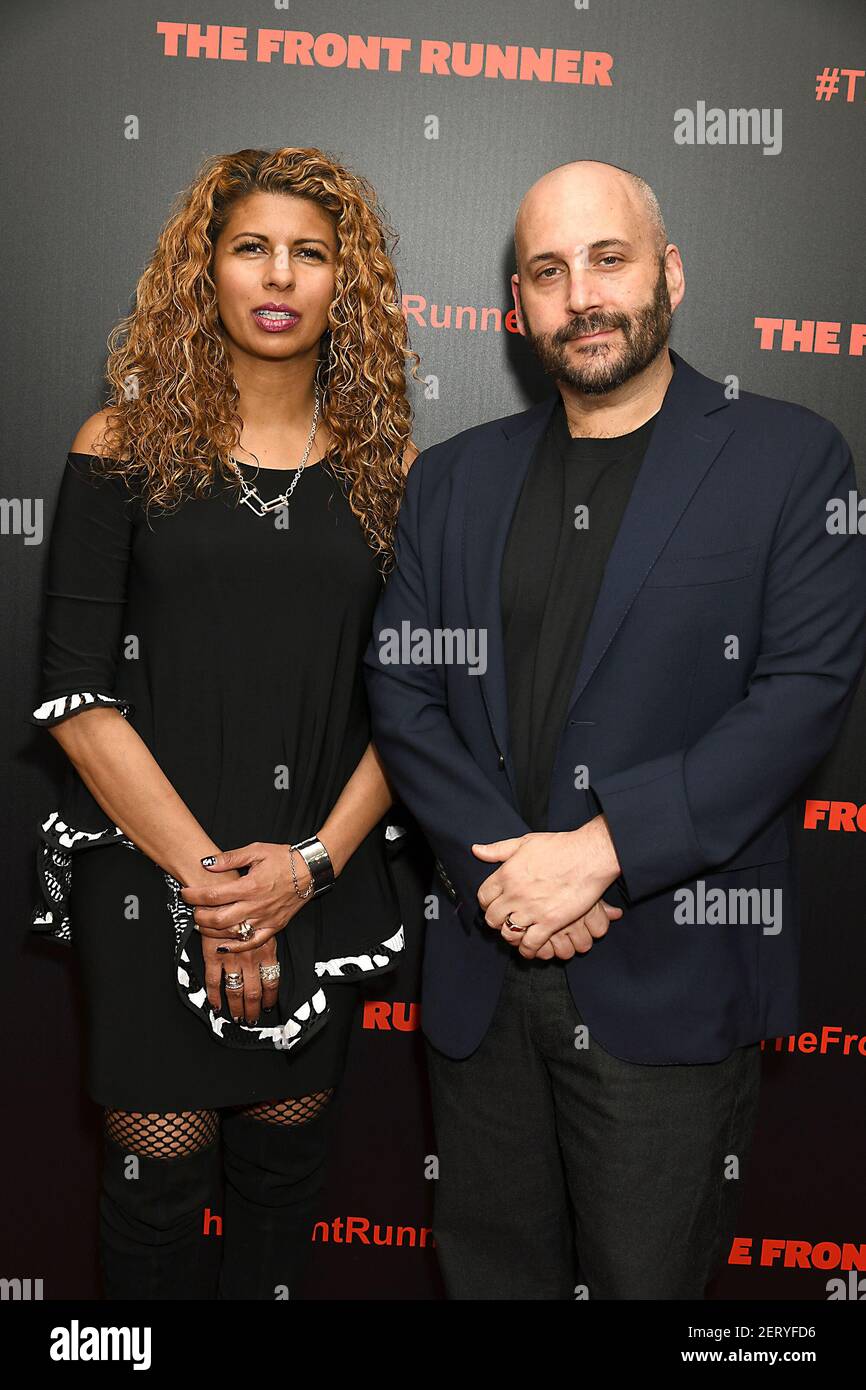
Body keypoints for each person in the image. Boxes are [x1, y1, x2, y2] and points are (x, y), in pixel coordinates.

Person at [363, 159, 866, 1299]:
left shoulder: (789, 459)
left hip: (668, 977)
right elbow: (402, 690)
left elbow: (797, 697)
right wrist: (513, 877)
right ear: (516, 309)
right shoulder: (449, 481)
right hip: (484, 969)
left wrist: (596, 856)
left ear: (668, 274)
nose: (580, 294)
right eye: (547, 271)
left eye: (607, 259)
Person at [28, 145, 419, 1300]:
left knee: (282, 1176)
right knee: (158, 1180)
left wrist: (301, 871)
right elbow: (75, 696)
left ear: (346, 282)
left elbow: (412, 701)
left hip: (320, 866)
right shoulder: (123, 445)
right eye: (251, 246)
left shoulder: (394, 475)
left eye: (311, 251)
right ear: (206, 271)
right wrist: (218, 891)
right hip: (151, 868)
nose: (280, 274)